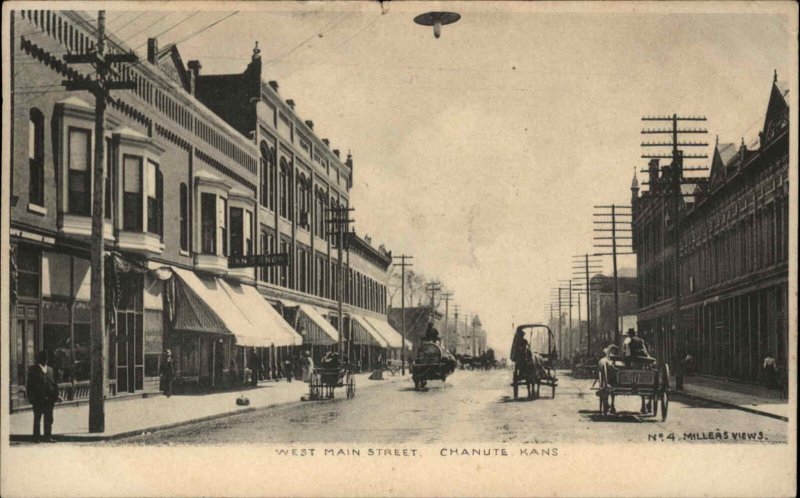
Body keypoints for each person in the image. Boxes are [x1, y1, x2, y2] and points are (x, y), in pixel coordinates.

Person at [26, 350, 60, 442]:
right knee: (37, 419)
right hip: (38, 399)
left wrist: (56, 395)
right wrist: (31, 398)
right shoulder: (34, 370)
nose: (45, 361)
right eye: (43, 359)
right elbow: (30, 386)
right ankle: (36, 437)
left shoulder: (50, 370)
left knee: (49, 419)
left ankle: (47, 436)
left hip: (49, 399)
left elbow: (54, 384)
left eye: (46, 359)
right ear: (39, 359)